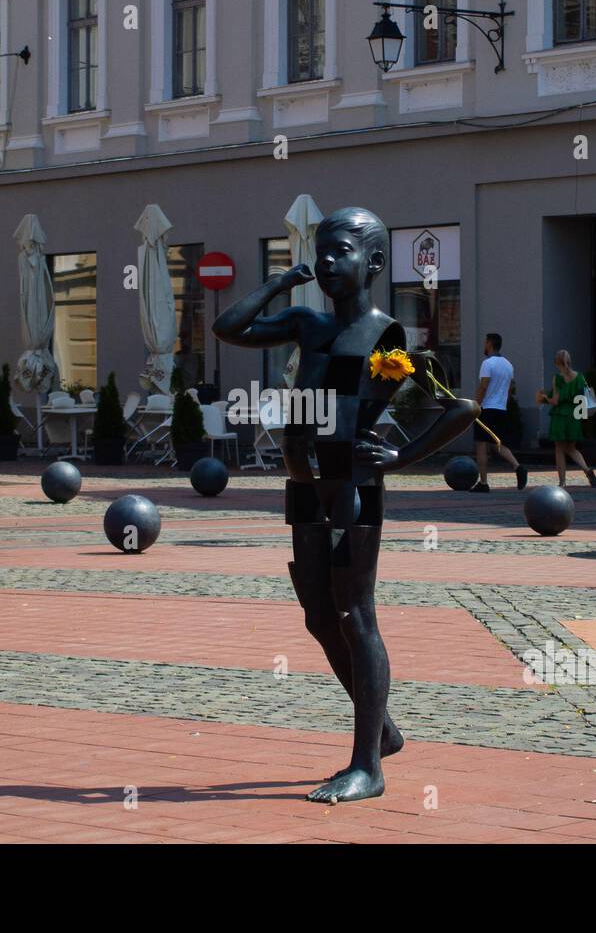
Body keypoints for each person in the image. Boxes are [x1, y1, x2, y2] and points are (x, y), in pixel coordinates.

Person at [213, 207, 477, 804]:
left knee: (356, 614)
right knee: (317, 615)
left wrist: (400, 458)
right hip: (305, 482)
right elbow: (229, 328)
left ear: (375, 264)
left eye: (342, 253)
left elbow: (461, 409)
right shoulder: (307, 324)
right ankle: (379, 728)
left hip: (354, 487)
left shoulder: (388, 337)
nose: (328, 262)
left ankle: (368, 765)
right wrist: (281, 281)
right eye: (322, 252)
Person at [472, 333, 527, 492]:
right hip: (501, 409)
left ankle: (483, 483)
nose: (484, 345)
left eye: (485, 342)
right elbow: (510, 389)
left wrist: (476, 404)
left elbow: (483, 386)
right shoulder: (508, 365)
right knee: (497, 444)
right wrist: (504, 402)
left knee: (481, 445)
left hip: (486, 409)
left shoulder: (487, 364)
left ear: (490, 343)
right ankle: (517, 466)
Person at [536, 349, 596, 488]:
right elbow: (583, 396)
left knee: (559, 449)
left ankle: (562, 482)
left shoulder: (557, 378)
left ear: (557, 362)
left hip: (560, 416)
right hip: (575, 415)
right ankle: (587, 469)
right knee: (571, 448)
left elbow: (555, 401)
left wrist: (544, 397)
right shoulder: (580, 377)